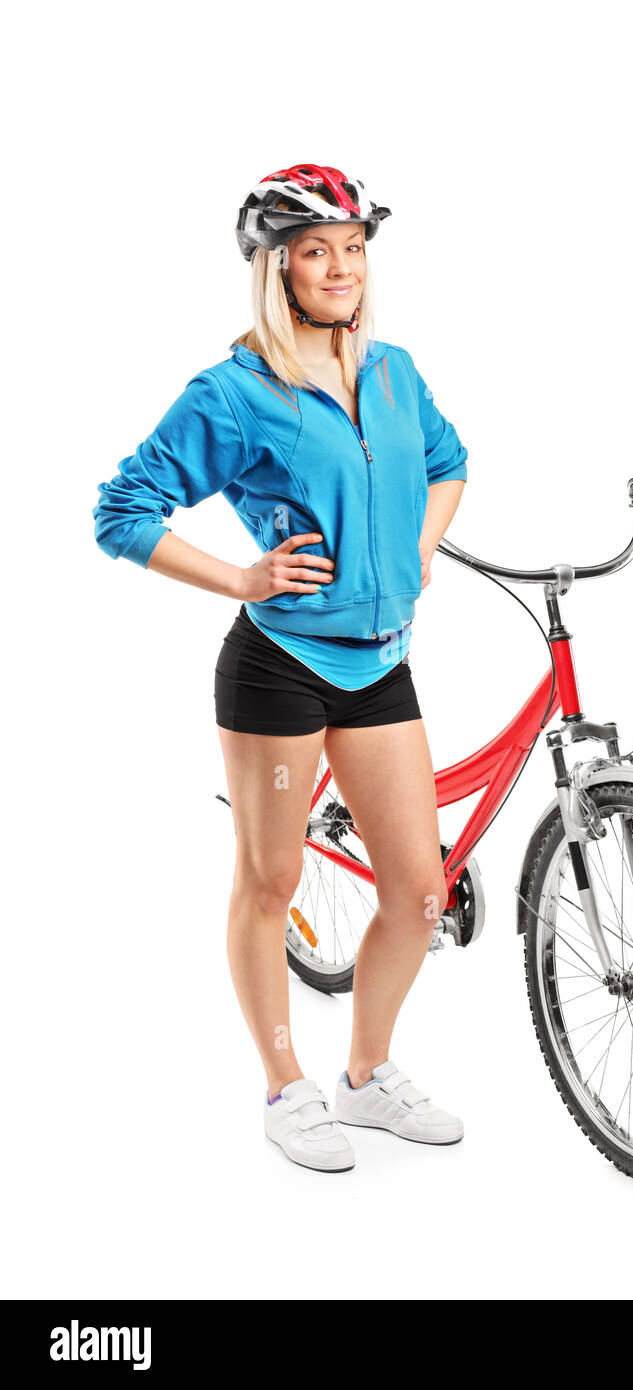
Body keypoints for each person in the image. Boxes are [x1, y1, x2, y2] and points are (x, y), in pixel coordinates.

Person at [93, 163, 469, 1174]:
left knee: (419, 891)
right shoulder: (233, 392)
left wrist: (421, 549)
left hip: (379, 662)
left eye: (353, 248)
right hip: (278, 666)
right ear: (275, 266)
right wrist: (239, 577)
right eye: (315, 250)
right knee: (270, 880)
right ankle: (283, 1087)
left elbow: (447, 462)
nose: (340, 268)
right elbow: (120, 513)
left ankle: (365, 1075)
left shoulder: (392, 372)